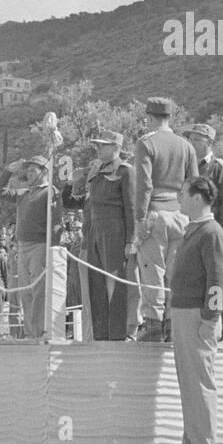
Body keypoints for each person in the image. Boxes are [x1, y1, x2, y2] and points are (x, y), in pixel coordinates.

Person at [161, 175, 223, 444]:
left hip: (197, 315)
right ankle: (190, 440)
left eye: (184, 194)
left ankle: (204, 443)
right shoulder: (194, 230)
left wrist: (210, 318)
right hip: (182, 311)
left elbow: (218, 279)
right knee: (187, 380)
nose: (180, 199)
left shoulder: (211, 232)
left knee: (200, 380)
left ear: (198, 197)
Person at [132, 97, 198, 342]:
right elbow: (194, 184)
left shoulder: (146, 143)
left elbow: (144, 185)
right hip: (180, 213)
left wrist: (140, 220)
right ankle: (173, 324)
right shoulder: (186, 146)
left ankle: (154, 324)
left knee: (152, 271)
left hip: (156, 212)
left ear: (149, 117)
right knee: (174, 272)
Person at [63, 131, 136, 341]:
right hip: (94, 230)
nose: (99, 149)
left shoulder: (125, 171)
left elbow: (131, 208)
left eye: (103, 145)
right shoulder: (95, 173)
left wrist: (131, 239)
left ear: (116, 147)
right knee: (96, 283)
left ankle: (117, 332)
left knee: (115, 281)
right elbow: (79, 203)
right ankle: (101, 332)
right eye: (98, 145)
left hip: (114, 230)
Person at [11, 157, 60, 338]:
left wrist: (52, 249)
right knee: (25, 290)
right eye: (28, 171)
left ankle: (39, 332)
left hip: (39, 244)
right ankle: (30, 332)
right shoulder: (25, 194)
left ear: (44, 171)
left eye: (33, 170)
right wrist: (9, 171)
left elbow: (56, 223)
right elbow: (0, 193)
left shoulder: (50, 192)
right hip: (22, 245)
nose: (29, 174)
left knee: (38, 290)